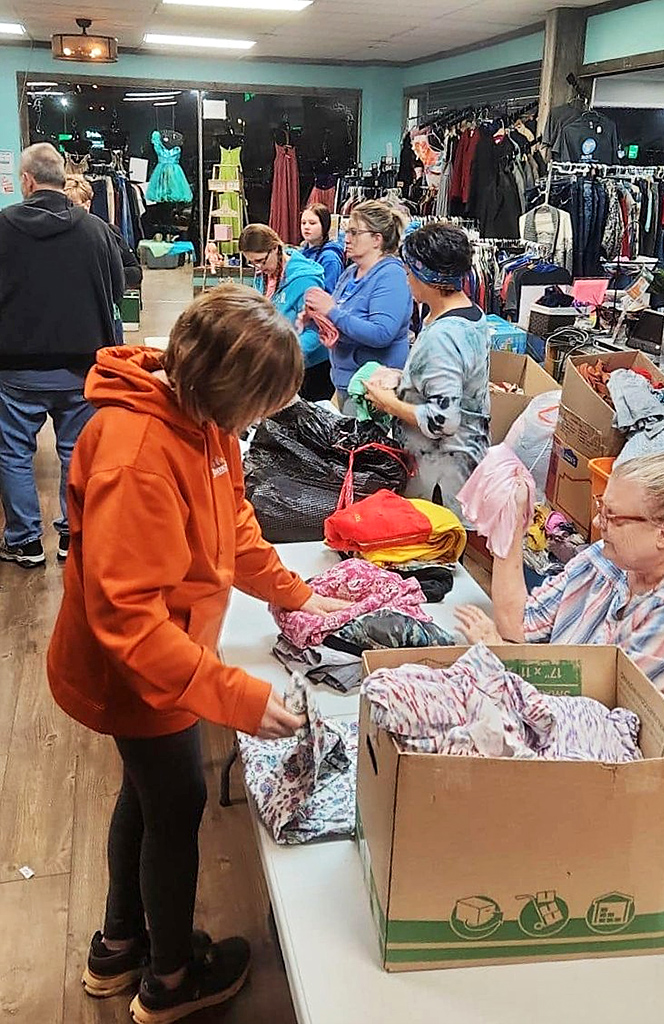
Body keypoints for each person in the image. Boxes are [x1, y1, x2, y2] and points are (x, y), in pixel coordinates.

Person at [47, 285, 350, 1024]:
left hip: (165, 662)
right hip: (138, 675)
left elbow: (233, 524)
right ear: (231, 388)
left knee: (148, 798)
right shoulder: (137, 453)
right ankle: (172, 979)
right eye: (261, 406)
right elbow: (129, 621)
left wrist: (296, 594)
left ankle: (118, 947)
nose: (259, 423)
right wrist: (238, 698)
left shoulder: (196, 415)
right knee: (175, 807)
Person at [455, 453, 664, 704]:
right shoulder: (604, 559)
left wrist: (498, 662)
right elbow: (520, 625)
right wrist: (513, 520)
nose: (597, 521)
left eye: (612, 516)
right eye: (600, 508)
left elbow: (600, 709)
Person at [0, 142, 124, 567]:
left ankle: (24, 542)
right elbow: (116, 291)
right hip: (80, 366)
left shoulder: (2, 226)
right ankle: (74, 536)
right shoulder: (95, 230)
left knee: (15, 453)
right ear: (61, 176)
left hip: (16, 368)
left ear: (28, 181)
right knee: (75, 451)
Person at [364, 224, 490, 522]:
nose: (406, 280)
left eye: (410, 273)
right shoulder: (468, 313)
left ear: (429, 277)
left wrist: (386, 401)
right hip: (460, 459)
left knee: (436, 553)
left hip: (442, 476)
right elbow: (452, 379)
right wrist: (403, 379)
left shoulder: (444, 335)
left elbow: (443, 420)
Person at [304, 200, 412, 412]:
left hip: (373, 392)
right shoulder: (350, 272)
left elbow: (382, 333)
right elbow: (339, 322)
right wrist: (316, 319)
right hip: (346, 384)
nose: (347, 239)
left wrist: (331, 311)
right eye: (347, 231)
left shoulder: (391, 276)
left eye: (354, 232)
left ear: (376, 239)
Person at [239, 223, 333, 402]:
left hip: (310, 368)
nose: (258, 267)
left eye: (260, 261)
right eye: (252, 263)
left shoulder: (305, 280)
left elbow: (317, 330)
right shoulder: (265, 274)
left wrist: (286, 356)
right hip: (280, 363)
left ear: (275, 248)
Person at [64, 174, 143, 344]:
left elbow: (135, 272)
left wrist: (107, 275)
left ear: (89, 203)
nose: (75, 211)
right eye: (69, 206)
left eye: (78, 205)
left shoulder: (108, 232)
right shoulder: (56, 238)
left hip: (104, 317)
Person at [300, 202, 345, 293]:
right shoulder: (301, 254)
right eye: (303, 223)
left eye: (312, 223)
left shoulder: (330, 259)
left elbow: (329, 294)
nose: (306, 227)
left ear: (324, 226)